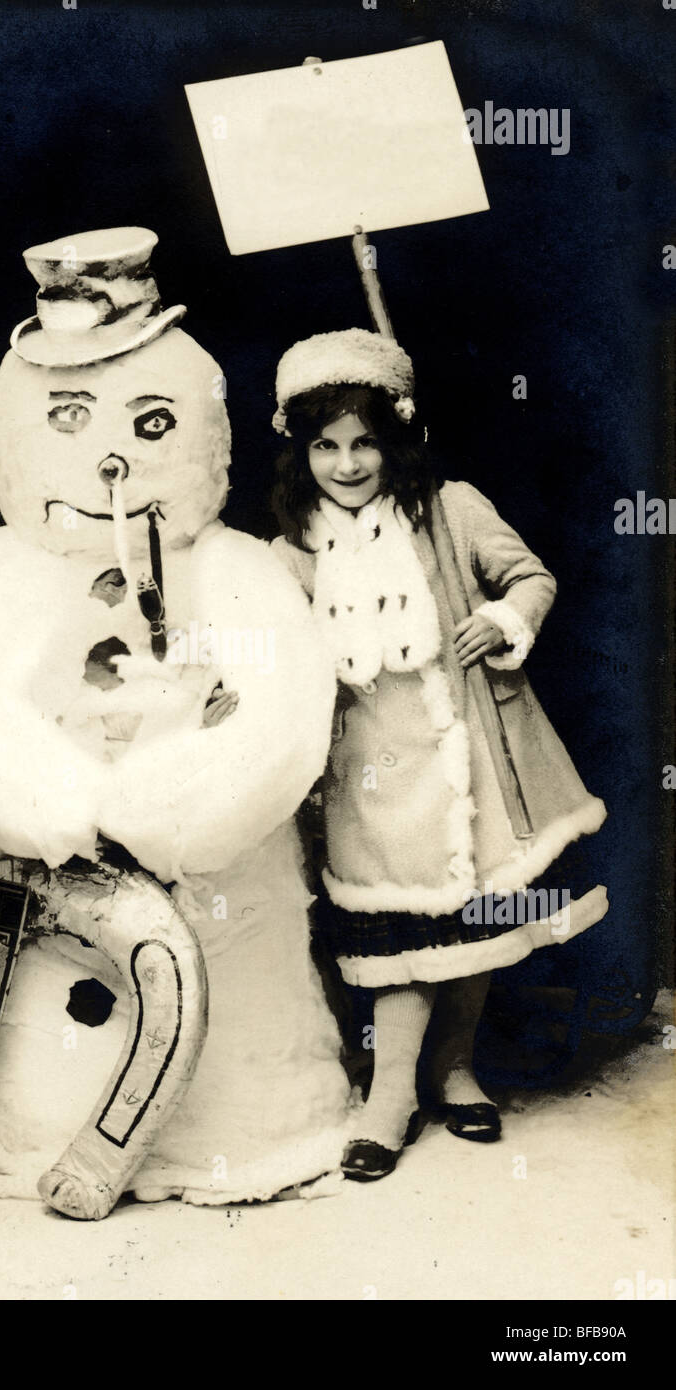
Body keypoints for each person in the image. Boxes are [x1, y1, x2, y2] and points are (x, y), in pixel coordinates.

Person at [268, 328, 609, 1181]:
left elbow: (530, 578)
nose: (346, 465)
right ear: (301, 450)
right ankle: (390, 1097)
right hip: (367, 780)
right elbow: (270, 653)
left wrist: (502, 620)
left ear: (395, 438)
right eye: (325, 446)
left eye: (364, 442)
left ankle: (454, 1067)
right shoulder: (288, 551)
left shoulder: (450, 509)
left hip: (468, 763)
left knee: (474, 929)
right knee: (392, 943)